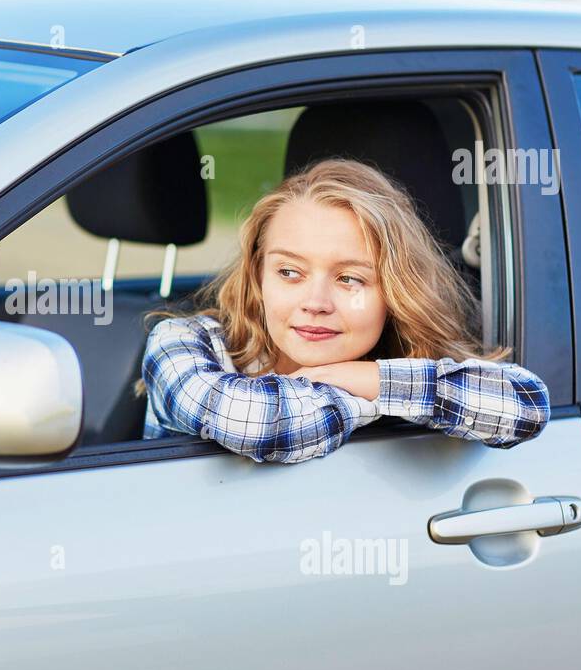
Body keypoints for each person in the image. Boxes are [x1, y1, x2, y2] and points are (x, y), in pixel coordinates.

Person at [137, 158, 549, 463]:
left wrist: (365, 376)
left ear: (394, 291)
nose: (315, 303)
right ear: (257, 276)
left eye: (350, 279)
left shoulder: (397, 360)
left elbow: (526, 402)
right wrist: (365, 397)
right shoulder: (182, 343)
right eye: (289, 272)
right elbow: (255, 421)